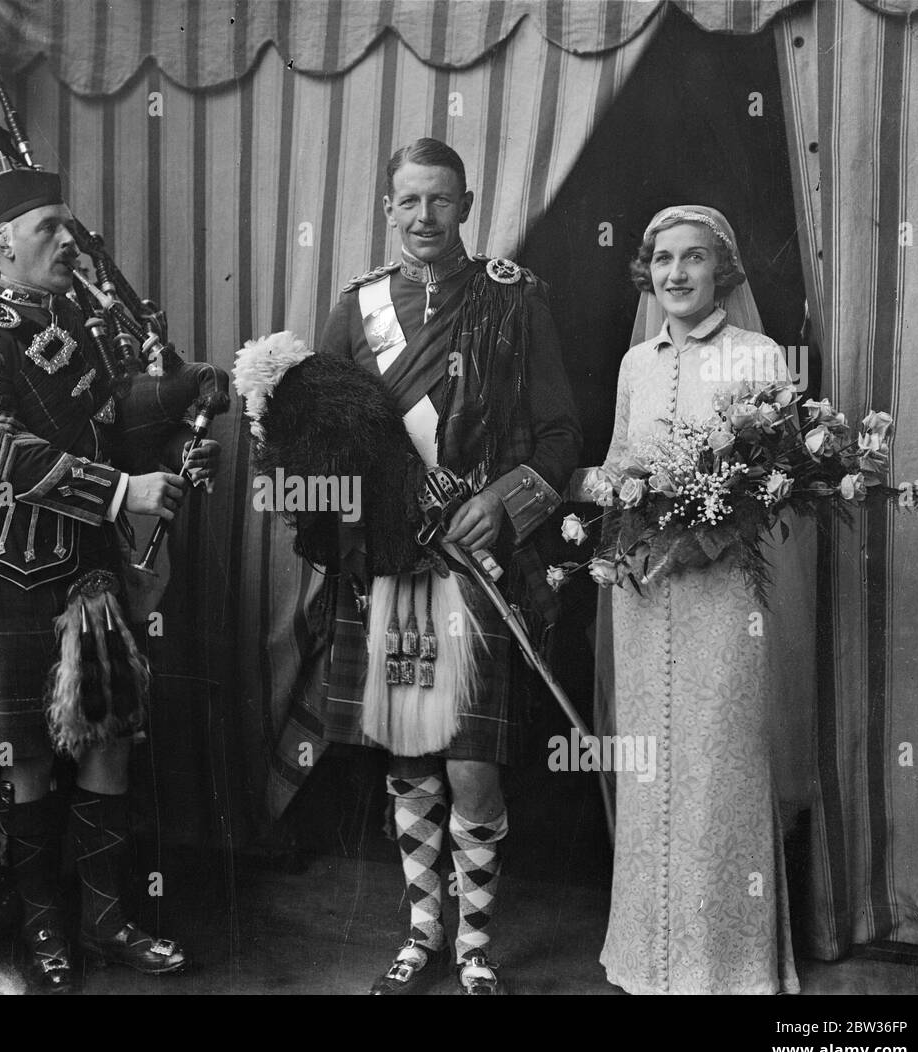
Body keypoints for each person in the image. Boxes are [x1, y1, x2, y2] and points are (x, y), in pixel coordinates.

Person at [0, 168, 217, 993]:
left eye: (71, 228)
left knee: (107, 736)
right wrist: (123, 491)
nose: (67, 242)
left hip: (91, 567)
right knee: (29, 757)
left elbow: (116, 410)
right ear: (3, 242)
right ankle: (44, 930)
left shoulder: (79, 318)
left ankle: (107, 920)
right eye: (48, 228)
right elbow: (5, 451)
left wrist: (186, 389)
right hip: (15, 571)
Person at [314, 138, 582, 995]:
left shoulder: (516, 300)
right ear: (387, 209)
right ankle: (423, 932)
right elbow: (326, 444)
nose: (423, 217)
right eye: (407, 203)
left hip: (480, 567)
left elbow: (562, 435)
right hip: (398, 561)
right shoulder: (356, 310)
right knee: (411, 759)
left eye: (440, 201)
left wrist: (502, 500)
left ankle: (475, 948)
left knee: (471, 762)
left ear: (466, 205)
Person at [595, 204, 807, 994]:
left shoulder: (758, 357)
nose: (676, 273)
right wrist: (618, 532)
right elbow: (617, 466)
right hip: (643, 594)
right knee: (650, 768)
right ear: (646, 271)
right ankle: (648, 958)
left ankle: (727, 966)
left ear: (726, 270)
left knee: (719, 765)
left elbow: (772, 489)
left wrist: (701, 538)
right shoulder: (634, 364)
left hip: (725, 596)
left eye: (694, 258)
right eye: (661, 259)